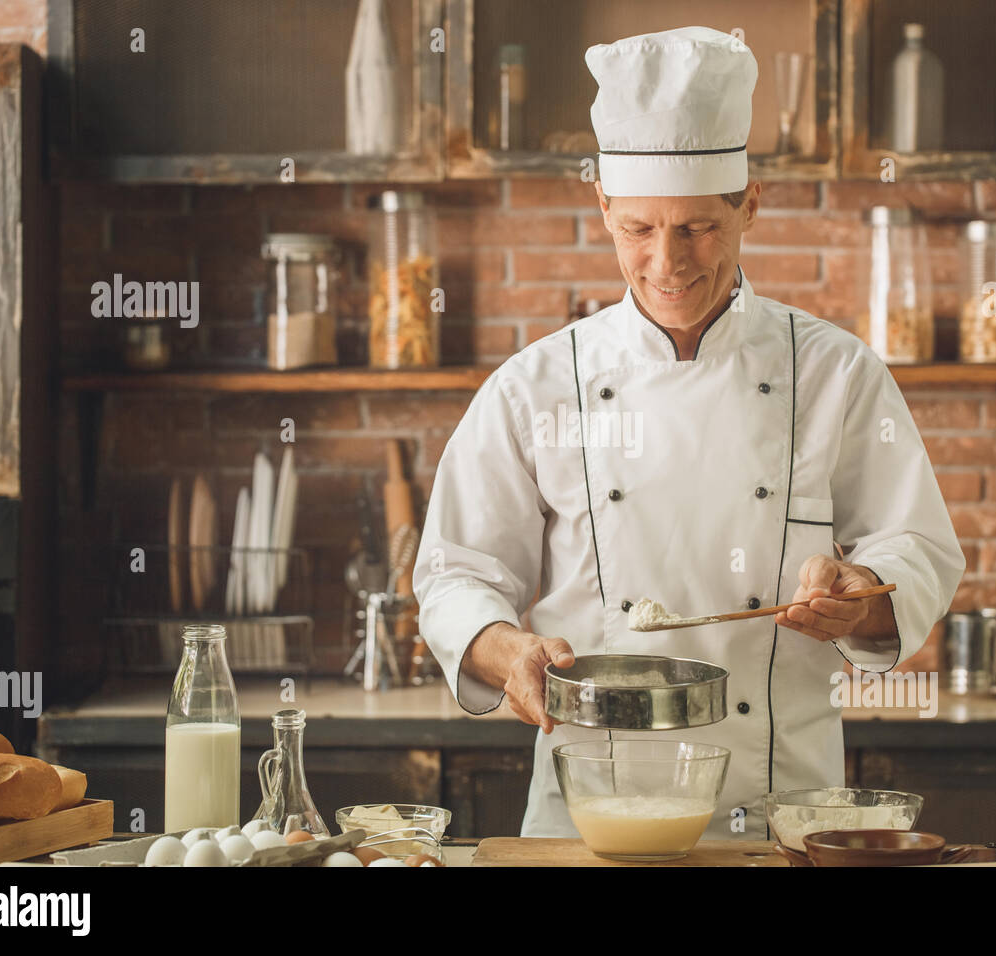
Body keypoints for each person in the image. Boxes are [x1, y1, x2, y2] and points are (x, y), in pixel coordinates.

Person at [413, 25, 964, 839]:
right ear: (603, 207)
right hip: (584, 821)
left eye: (698, 227)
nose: (666, 261)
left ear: (749, 205)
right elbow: (455, 573)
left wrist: (865, 597)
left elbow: (917, 549)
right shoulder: (537, 386)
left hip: (779, 822)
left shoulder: (836, 373)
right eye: (638, 228)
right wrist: (503, 647)